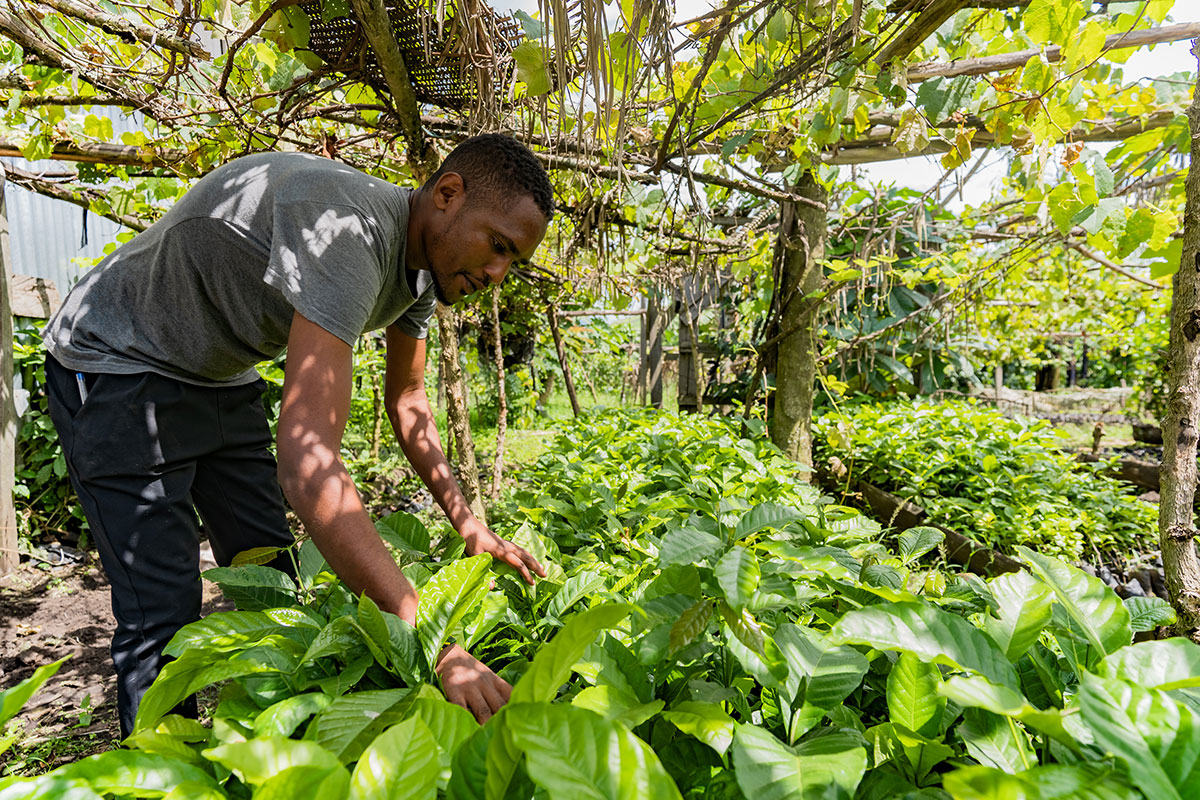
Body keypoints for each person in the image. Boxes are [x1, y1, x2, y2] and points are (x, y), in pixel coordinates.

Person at [41, 133, 553, 736]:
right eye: (497, 245)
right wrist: (438, 647)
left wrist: (469, 523)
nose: (497, 273)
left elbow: (409, 400)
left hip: (219, 372)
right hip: (116, 361)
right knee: (164, 614)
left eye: (512, 261)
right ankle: (164, 767)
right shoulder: (350, 233)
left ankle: (274, 757)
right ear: (446, 194)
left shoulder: (421, 270)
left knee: (276, 584)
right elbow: (310, 468)